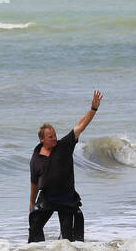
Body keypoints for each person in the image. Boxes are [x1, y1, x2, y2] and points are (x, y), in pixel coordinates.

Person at [29, 90, 103, 243]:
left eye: (55, 134)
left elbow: (80, 126)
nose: (55, 138)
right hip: (47, 197)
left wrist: (93, 109)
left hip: (66, 198)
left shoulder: (64, 146)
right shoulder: (36, 157)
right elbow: (34, 182)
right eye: (51, 137)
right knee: (35, 224)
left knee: (67, 239)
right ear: (42, 139)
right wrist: (32, 201)